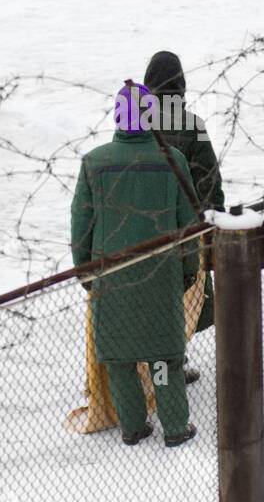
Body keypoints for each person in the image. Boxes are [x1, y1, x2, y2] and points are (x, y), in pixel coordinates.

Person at [70, 81, 201, 447]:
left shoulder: (94, 163)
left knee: (120, 356)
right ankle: (175, 427)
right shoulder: (172, 160)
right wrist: (189, 267)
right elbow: (189, 223)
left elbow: (81, 225)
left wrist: (86, 272)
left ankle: (133, 426)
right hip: (161, 272)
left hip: (111, 272)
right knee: (163, 354)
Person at [144, 50, 224, 345]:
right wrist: (214, 218)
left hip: (142, 227)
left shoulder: (136, 125)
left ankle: (152, 361)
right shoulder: (195, 126)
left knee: (148, 295)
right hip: (185, 227)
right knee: (184, 293)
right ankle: (174, 356)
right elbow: (209, 180)